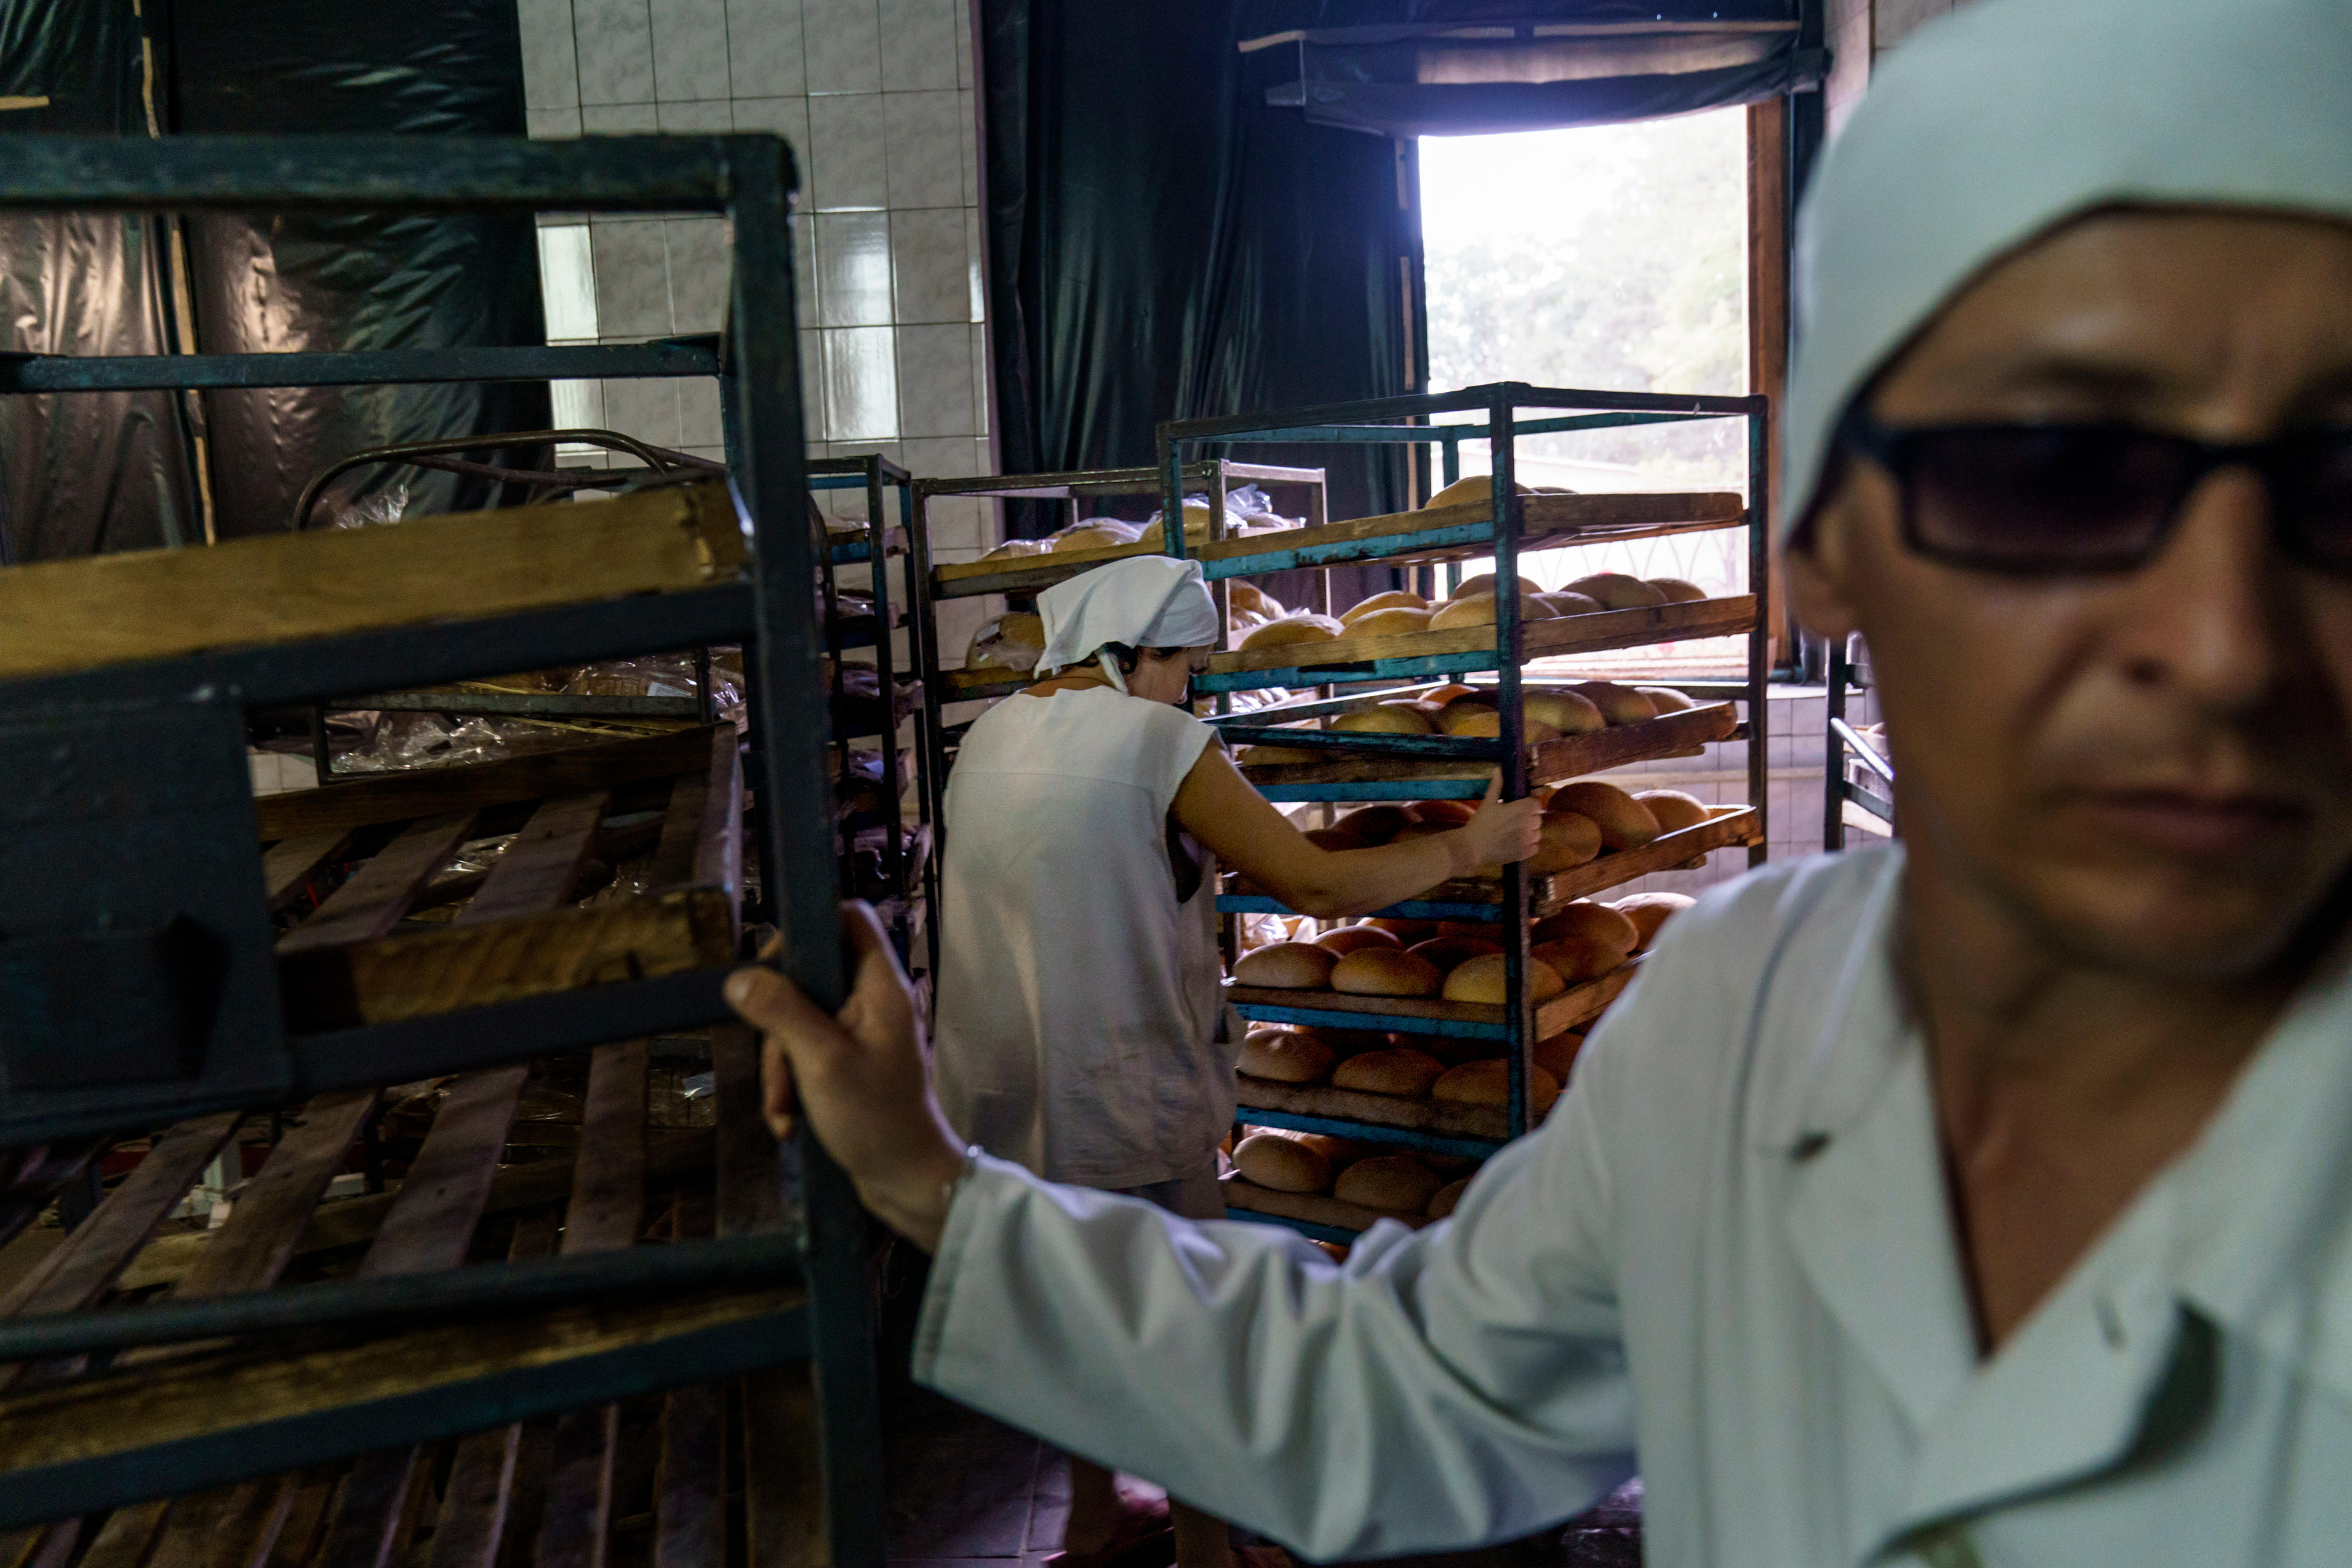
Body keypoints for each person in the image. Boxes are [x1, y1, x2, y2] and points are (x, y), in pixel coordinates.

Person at [729, 0, 2352, 1560]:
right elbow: (1402, 1396)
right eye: (2057, 470)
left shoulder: (1038, 728)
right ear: (1825, 553)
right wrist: (928, 1182)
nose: (2216, 636)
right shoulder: (1745, 1018)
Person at [924, 551, 1543, 1568]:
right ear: (1134, 655)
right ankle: (1208, 1552)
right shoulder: (1156, 736)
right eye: (1187, 666)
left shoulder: (990, 734)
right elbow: (1313, 884)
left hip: (997, 1083)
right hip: (1119, 1079)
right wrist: (1470, 849)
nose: (1193, 686)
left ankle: (1091, 1519)